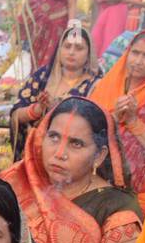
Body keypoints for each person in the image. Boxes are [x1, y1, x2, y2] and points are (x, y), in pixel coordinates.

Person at [2, 97, 140, 243]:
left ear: (99, 156)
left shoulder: (118, 209)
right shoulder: (18, 181)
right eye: (54, 137)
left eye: (76, 144)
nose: (59, 153)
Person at [88, 30, 145, 210]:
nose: (138, 61)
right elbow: (84, 132)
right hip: (93, 182)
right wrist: (113, 118)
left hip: (137, 192)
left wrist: (134, 122)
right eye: (135, 53)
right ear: (127, 53)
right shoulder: (102, 87)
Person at [9, 21, 99, 162]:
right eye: (67, 46)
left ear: (88, 54)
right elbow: (16, 115)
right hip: (31, 157)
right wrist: (37, 109)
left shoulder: (95, 85)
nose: (71, 52)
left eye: (79, 48)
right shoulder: (42, 76)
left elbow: (94, 129)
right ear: (59, 50)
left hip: (69, 160)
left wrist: (56, 110)